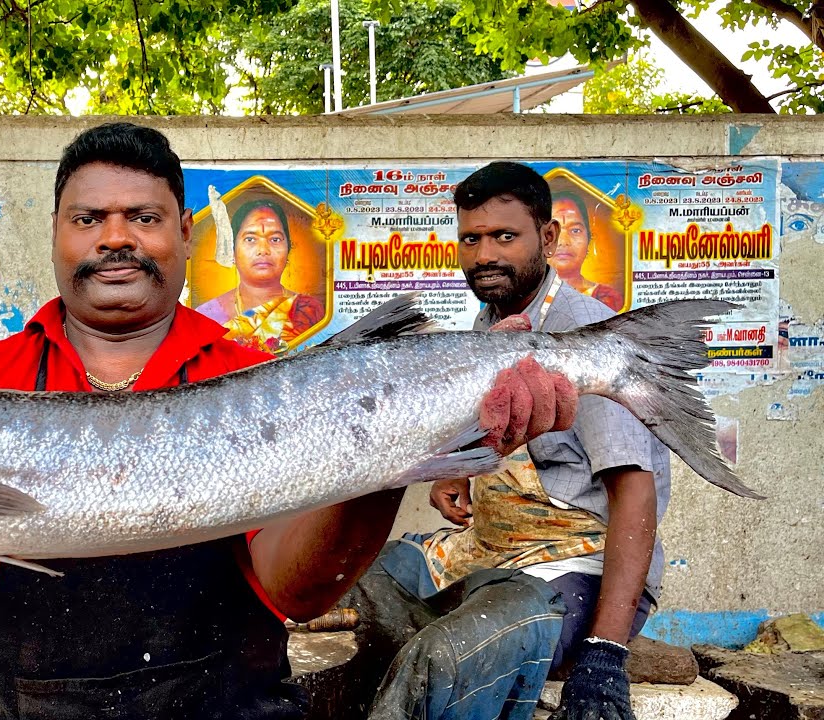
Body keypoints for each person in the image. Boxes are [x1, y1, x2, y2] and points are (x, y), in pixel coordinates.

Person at [0, 125, 576, 720]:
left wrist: (384, 456)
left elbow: (296, 592)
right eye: (89, 218)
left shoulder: (263, 381)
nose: (116, 237)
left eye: (143, 217)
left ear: (184, 235)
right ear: (57, 235)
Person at [348, 161, 670, 720]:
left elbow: (635, 495)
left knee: (446, 653)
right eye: (470, 239)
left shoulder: (582, 339)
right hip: (493, 549)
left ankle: (478, 641)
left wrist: (607, 653)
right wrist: (459, 469)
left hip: (576, 567)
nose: (484, 254)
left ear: (546, 237)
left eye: (504, 236)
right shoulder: (489, 324)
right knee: (356, 575)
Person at [195, 199, 326, 353]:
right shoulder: (205, 316)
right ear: (233, 249)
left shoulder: (308, 311)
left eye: (275, 239)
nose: (263, 250)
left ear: (288, 248)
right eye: (250, 239)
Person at [549, 191, 625, 312]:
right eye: (552, 232)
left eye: (575, 230)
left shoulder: (607, 298)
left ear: (589, 239)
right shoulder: (523, 299)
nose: (563, 241)